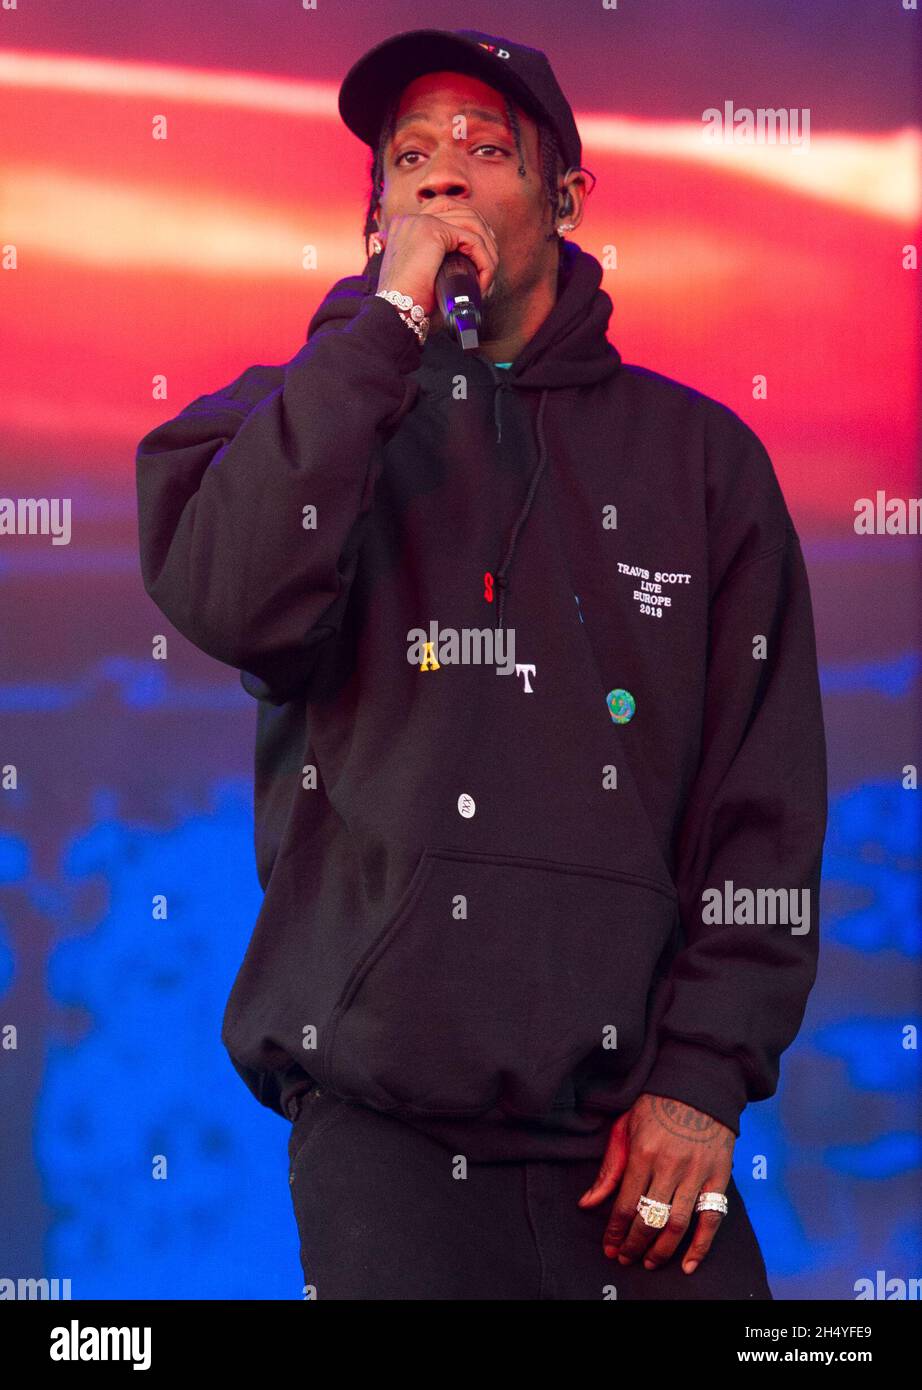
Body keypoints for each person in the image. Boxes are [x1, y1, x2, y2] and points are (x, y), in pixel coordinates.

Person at [134, 28, 828, 1300]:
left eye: (484, 149)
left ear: (564, 199)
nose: (442, 176)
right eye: (410, 157)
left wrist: (701, 1075)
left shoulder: (703, 463)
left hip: (633, 1131)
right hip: (386, 1132)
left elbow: (763, 807)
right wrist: (387, 325)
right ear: (377, 212)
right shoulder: (291, 422)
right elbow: (231, 600)